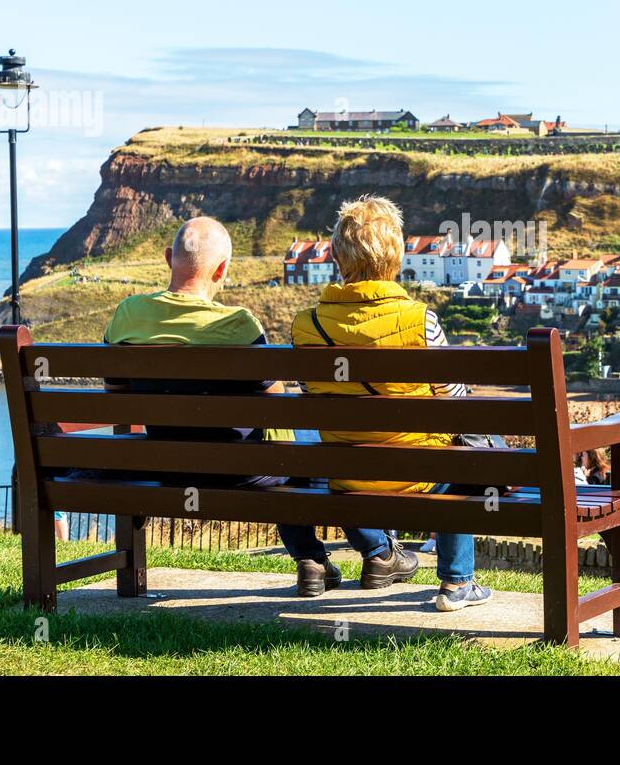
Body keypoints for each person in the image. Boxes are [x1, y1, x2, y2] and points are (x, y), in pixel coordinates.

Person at [104, 216, 404, 597]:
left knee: (290, 454)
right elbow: (278, 406)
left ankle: (319, 560)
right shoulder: (239, 325)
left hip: (166, 469)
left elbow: (115, 394)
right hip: (239, 474)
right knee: (310, 449)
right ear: (223, 268)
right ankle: (365, 552)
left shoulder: (127, 315)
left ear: (168, 259)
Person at [291, 196, 492, 612]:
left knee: (344, 461)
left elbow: (311, 398)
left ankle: (379, 553)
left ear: (336, 256)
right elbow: (455, 402)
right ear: (397, 256)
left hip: (345, 473)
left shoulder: (306, 326)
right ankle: (457, 583)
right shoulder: (422, 321)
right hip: (419, 475)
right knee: (464, 459)